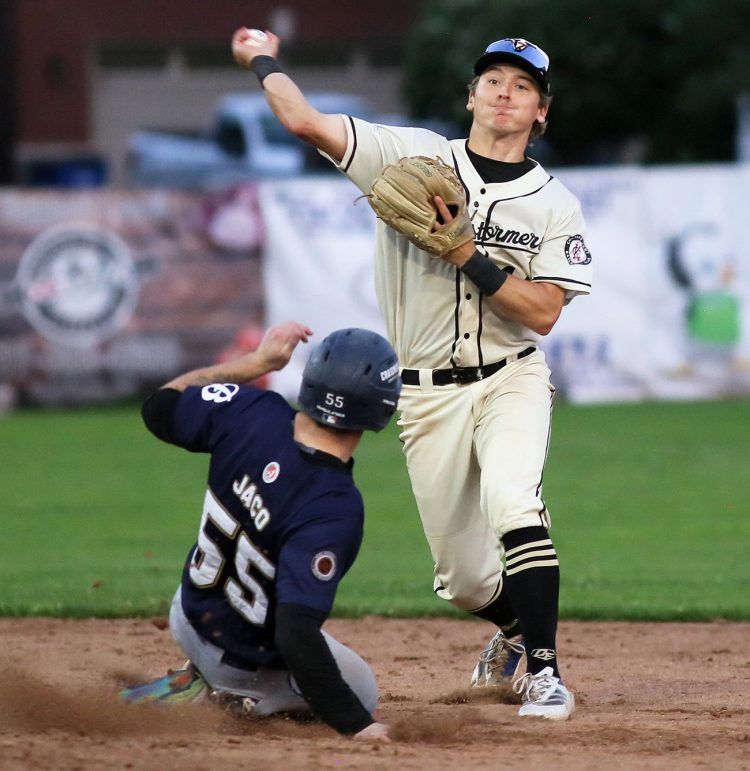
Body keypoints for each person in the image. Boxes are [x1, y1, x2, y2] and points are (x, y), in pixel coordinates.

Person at [231, 30, 592, 720]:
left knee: (516, 503)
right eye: (494, 80)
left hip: (510, 376)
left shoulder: (554, 204)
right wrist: (261, 57)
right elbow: (302, 120)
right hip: (428, 395)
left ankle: (545, 672)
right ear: (471, 95)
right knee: (461, 580)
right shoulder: (411, 156)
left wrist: (467, 253)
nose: (506, 93)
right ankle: (515, 630)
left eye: (523, 87)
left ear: (541, 111)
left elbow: (544, 311)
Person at [120, 321, 402, 742]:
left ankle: (198, 673)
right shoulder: (333, 505)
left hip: (188, 613)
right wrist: (360, 726)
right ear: (381, 410)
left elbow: (159, 407)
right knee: (362, 689)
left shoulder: (252, 412)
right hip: (238, 661)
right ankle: (223, 695)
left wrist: (257, 363)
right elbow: (295, 634)